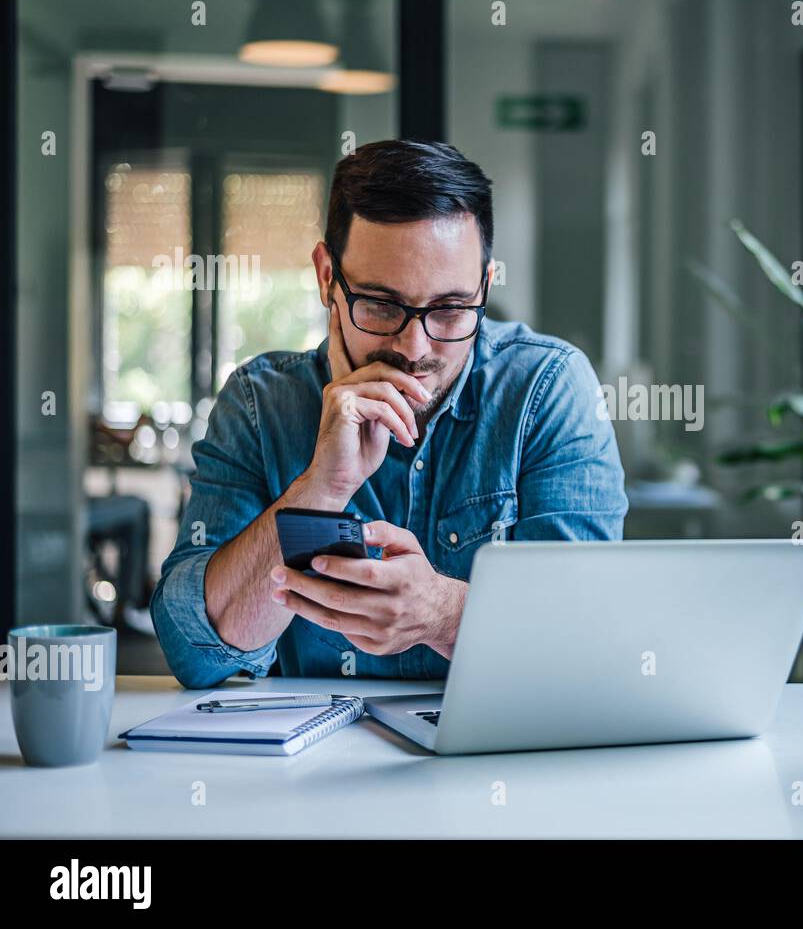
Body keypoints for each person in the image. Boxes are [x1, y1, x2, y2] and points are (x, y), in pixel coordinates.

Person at [151, 140, 628, 689]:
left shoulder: (547, 391)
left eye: (449, 309)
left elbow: (588, 640)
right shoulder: (262, 403)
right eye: (380, 304)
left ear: (485, 286)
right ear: (327, 276)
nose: (414, 346)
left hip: (499, 762)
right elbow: (196, 653)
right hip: (309, 768)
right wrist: (321, 489)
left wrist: (444, 614)